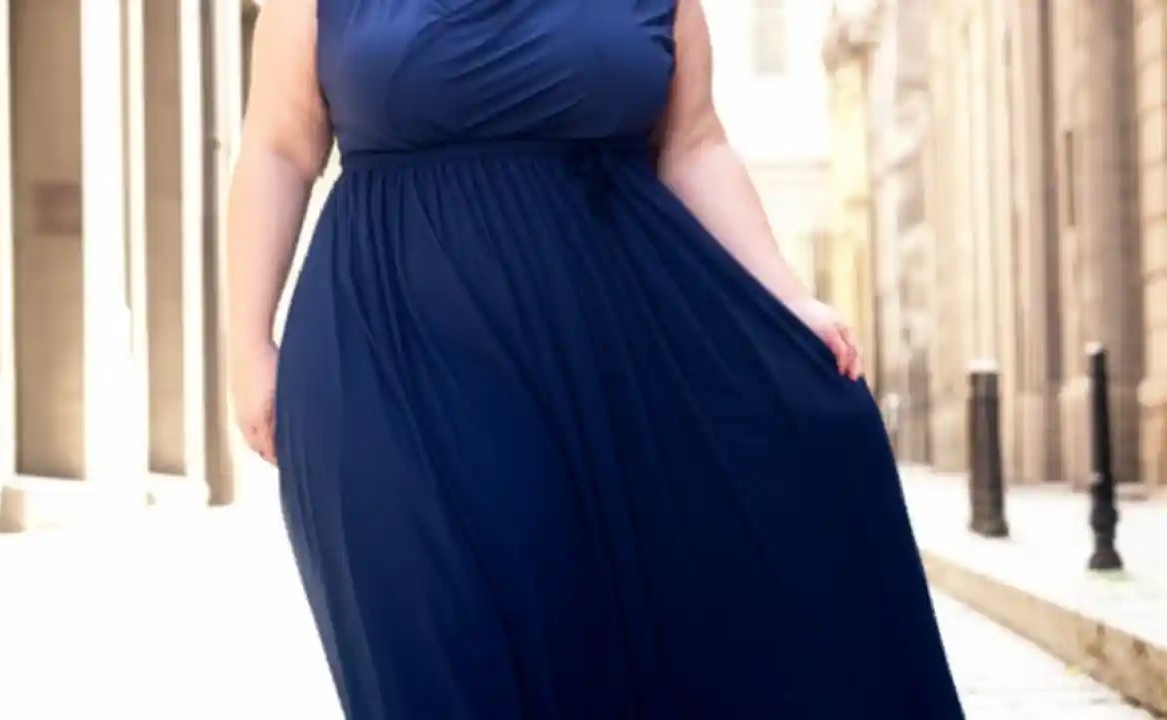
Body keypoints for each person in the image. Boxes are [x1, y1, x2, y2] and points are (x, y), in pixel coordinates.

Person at [227, 0, 964, 717]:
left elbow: (693, 144)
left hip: (610, 369)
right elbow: (280, 146)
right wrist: (249, 344)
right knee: (437, 649)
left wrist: (788, 298)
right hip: (386, 357)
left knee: (595, 653)